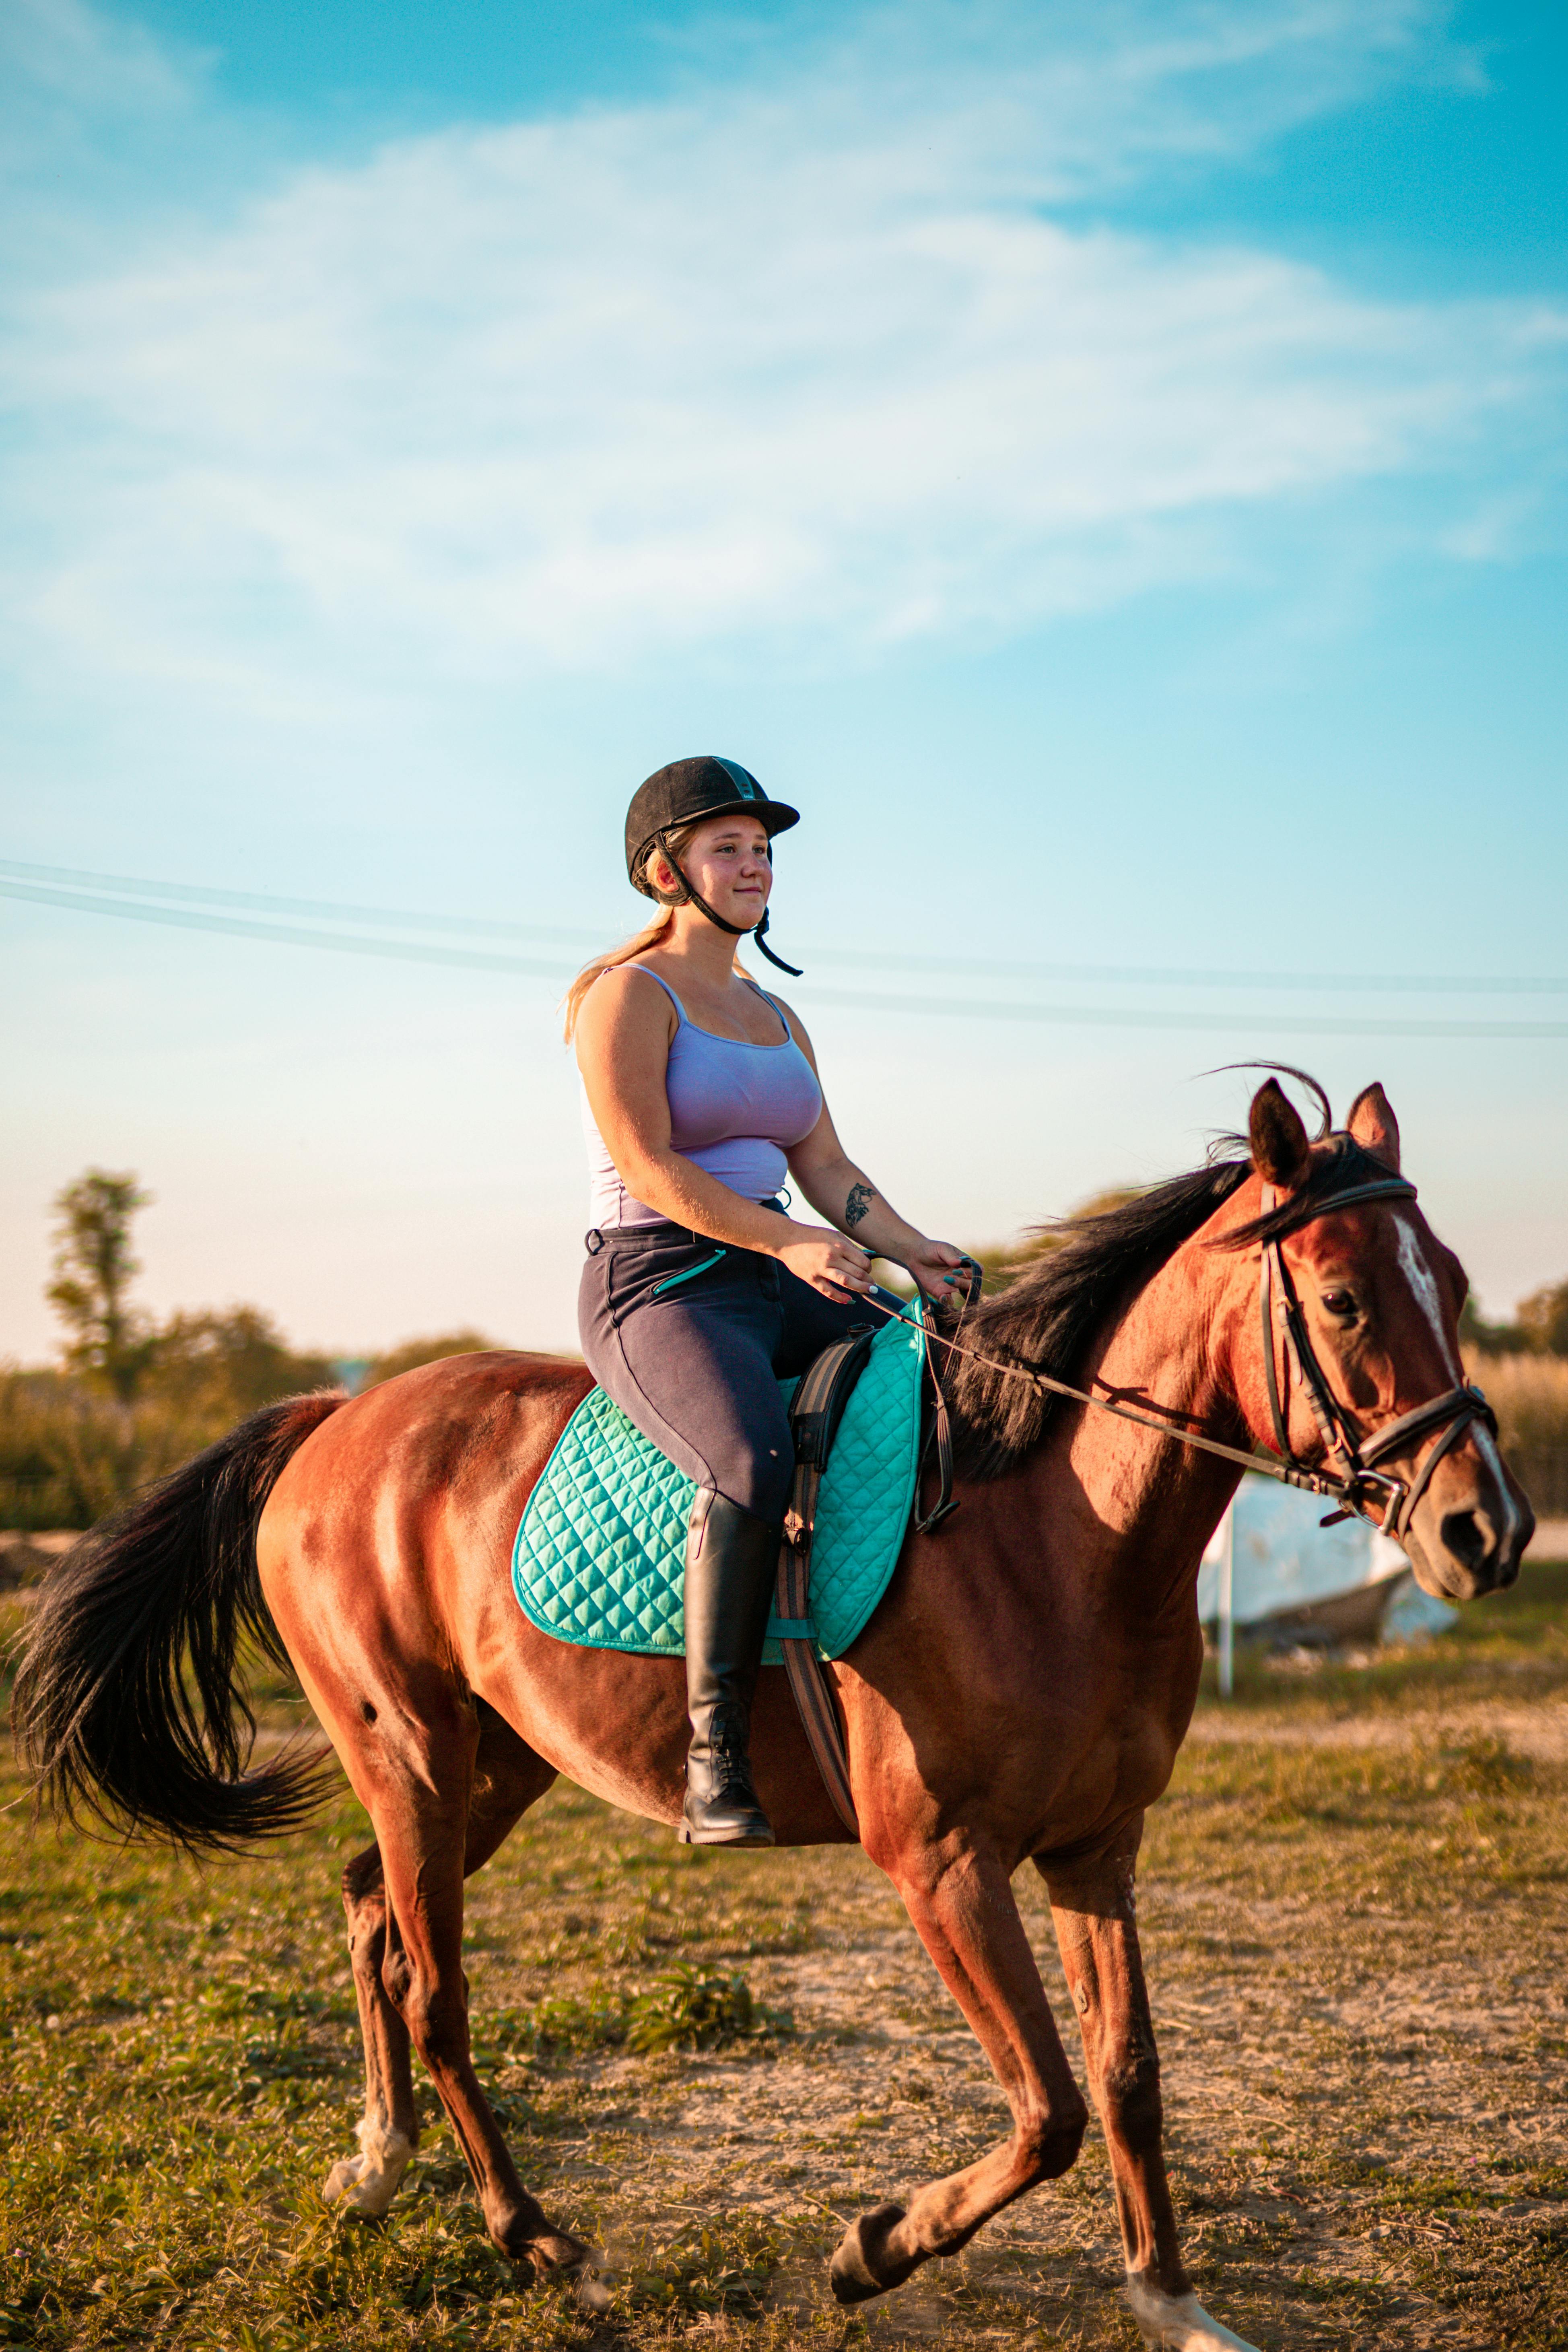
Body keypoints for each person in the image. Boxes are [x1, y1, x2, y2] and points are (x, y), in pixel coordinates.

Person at [565, 756, 964, 1848]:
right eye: (728, 850)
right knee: (749, 1461)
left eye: (763, 850)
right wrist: (788, 1239)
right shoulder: (626, 998)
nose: (755, 867)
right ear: (666, 872)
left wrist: (914, 1251)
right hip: (658, 1279)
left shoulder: (778, 1015)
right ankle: (715, 1761)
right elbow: (648, 1167)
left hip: (782, 1267)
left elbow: (825, 1167)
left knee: (948, 1388)